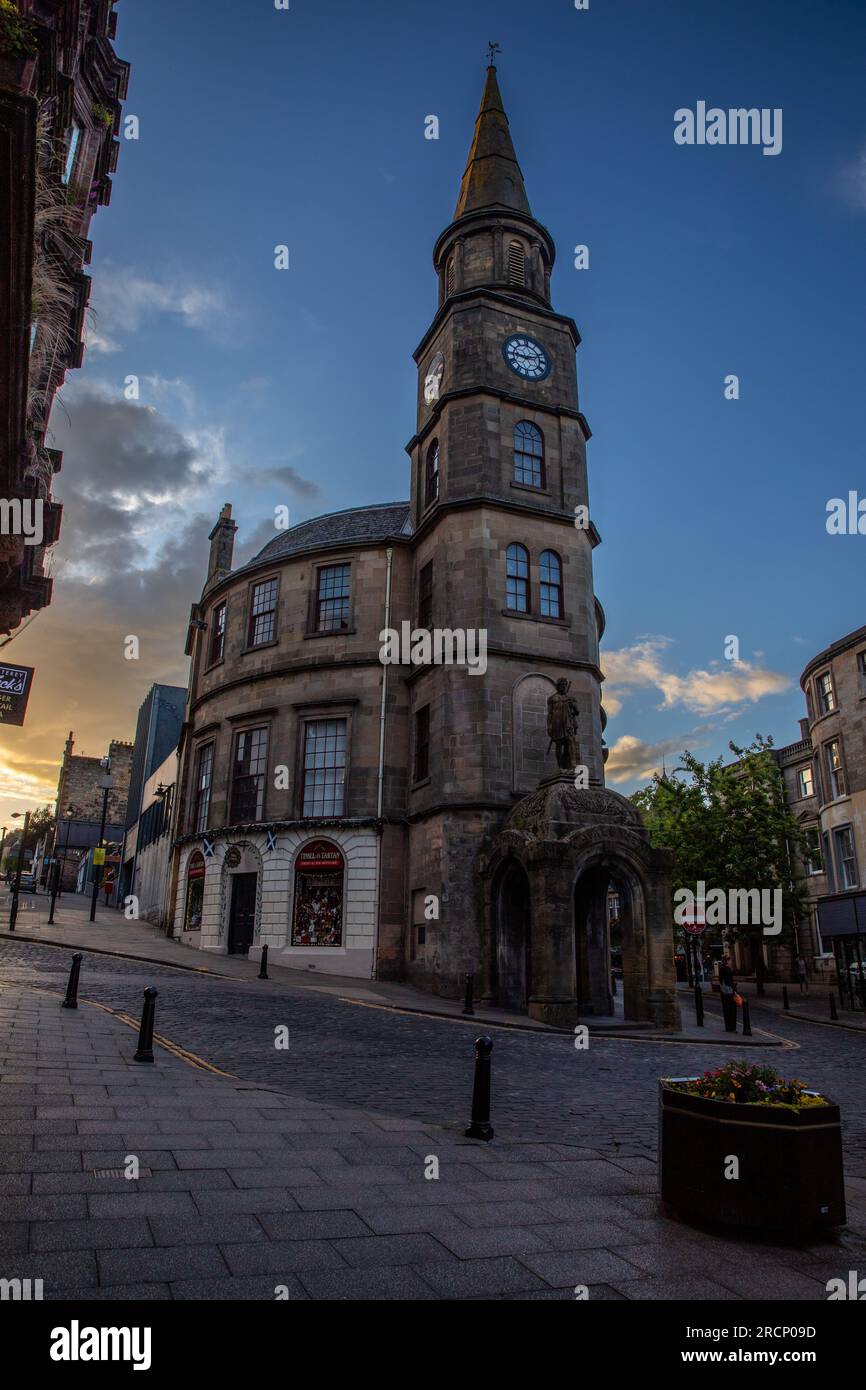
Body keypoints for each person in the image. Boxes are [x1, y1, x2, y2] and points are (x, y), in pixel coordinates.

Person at [718, 954, 738, 1033]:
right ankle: (731, 1028)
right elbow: (729, 982)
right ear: (727, 961)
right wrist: (733, 990)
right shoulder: (727, 969)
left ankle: (728, 1027)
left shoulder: (721, 969)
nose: (731, 962)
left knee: (726, 1011)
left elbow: (721, 981)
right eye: (730, 960)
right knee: (731, 1011)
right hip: (729, 992)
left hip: (724, 992)